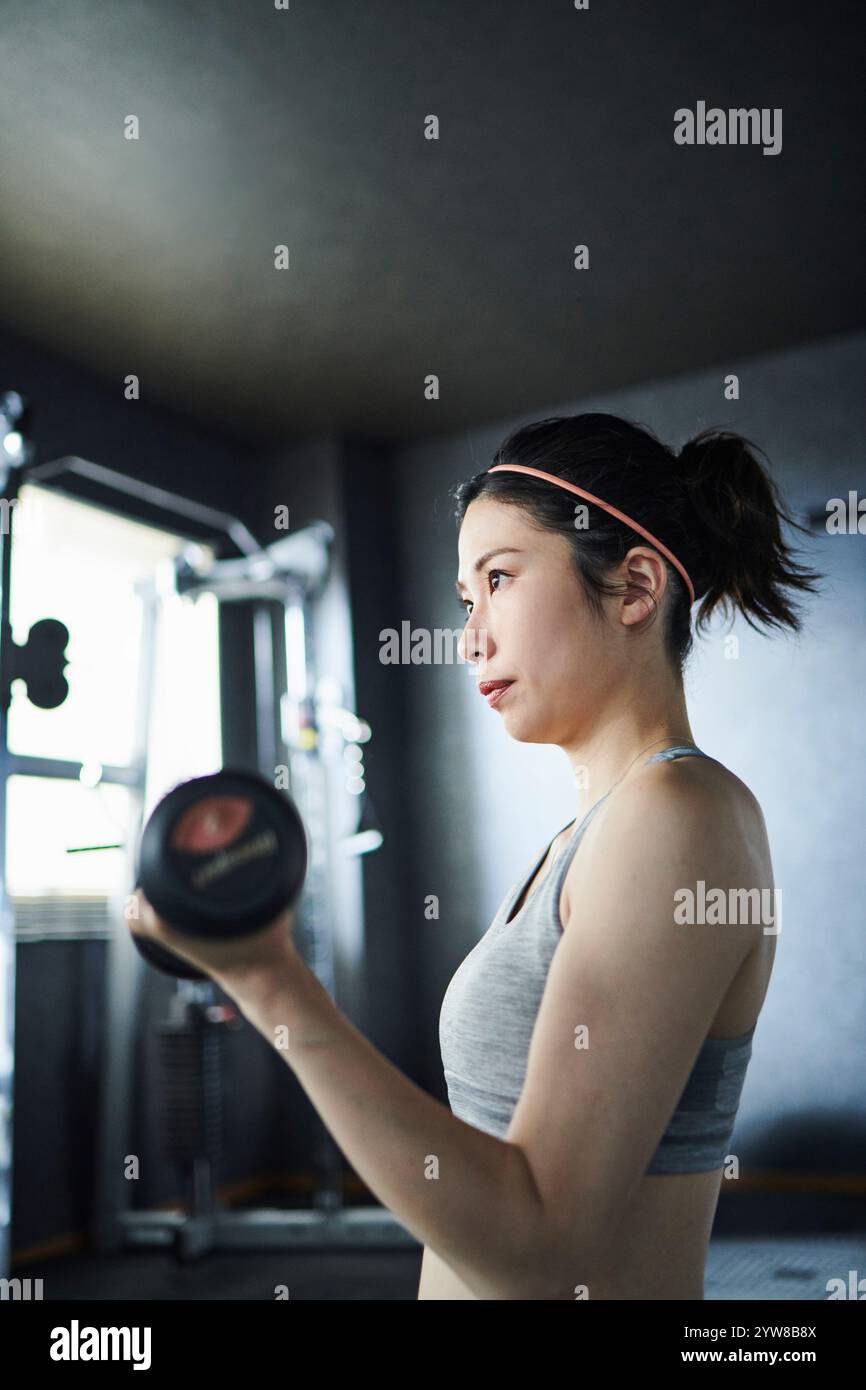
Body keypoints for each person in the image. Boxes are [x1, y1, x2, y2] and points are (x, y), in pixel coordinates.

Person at [131, 411, 822, 1300]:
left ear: (634, 588)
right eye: (466, 599)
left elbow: (543, 1242)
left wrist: (270, 980)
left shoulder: (677, 815)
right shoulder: (591, 836)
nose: (471, 637)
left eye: (500, 579)